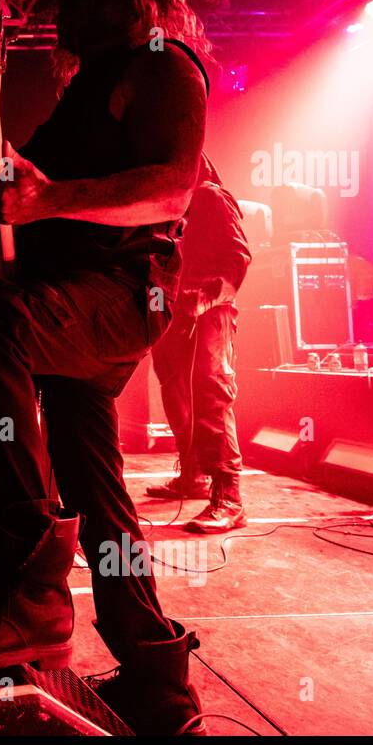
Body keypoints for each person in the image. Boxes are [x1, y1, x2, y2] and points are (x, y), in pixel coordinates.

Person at [0, 0, 211, 735]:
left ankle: (30, 587)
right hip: (78, 299)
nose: (73, 16)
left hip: (118, 295)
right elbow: (36, 188)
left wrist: (47, 200)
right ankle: (157, 675)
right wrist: (5, 186)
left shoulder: (162, 66)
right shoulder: (91, 90)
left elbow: (171, 189)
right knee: (98, 493)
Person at [146, 155, 251, 532]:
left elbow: (239, 259)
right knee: (176, 394)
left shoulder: (211, 197)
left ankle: (230, 498)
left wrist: (206, 297)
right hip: (173, 315)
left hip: (211, 311)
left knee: (211, 393)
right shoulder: (162, 207)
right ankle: (193, 476)